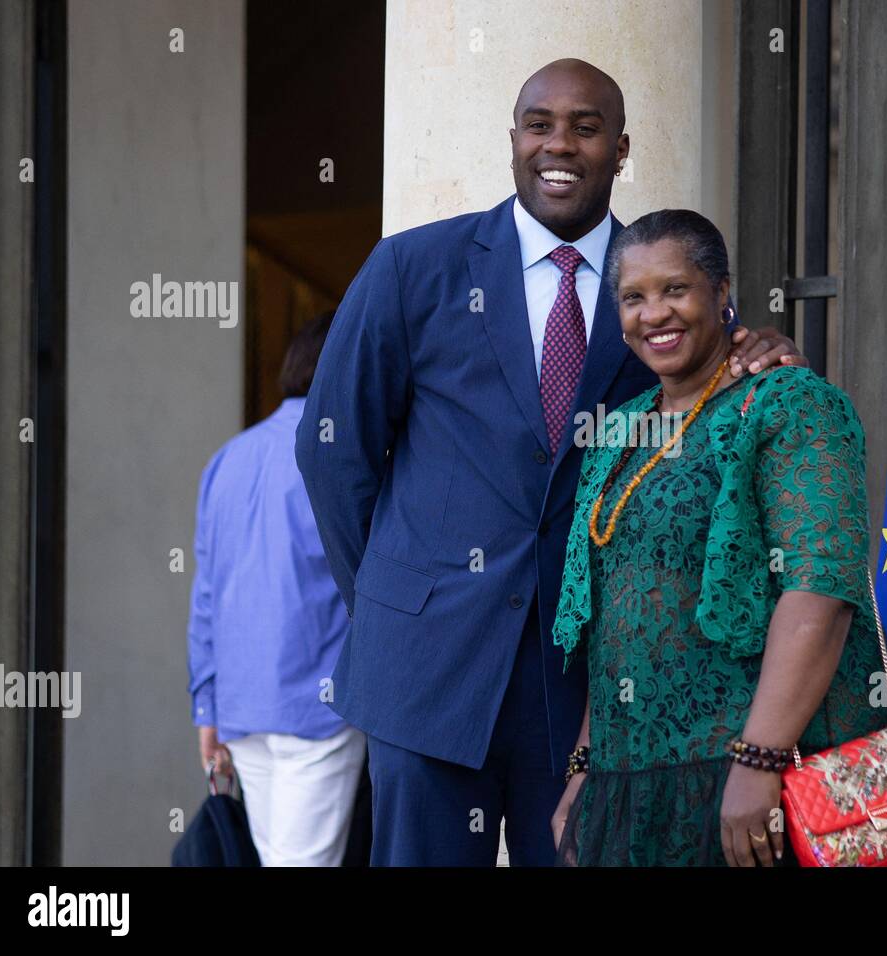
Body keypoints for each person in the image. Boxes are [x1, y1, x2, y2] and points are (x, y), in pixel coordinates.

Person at [294, 59, 802, 867]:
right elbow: (333, 454)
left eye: (586, 127)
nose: (558, 144)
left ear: (621, 148)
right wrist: (395, 602)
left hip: (589, 687)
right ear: (514, 140)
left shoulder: (651, 290)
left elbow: (721, 382)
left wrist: (765, 349)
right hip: (426, 676)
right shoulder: (411, 269)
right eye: (540, 124)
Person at [549, 210, 887, 866]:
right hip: (629, 790)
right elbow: (615, 620)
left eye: (675, 289)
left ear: (721, 291)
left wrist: (759, 761)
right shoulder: (616, 431)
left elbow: (822, 589)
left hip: (749, 781)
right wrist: (584, 766)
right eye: (633, 297)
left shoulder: (788, 403)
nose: (654, 314)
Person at [187, 310, 366, 867]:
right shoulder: (338, 455)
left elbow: (206, 598)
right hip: (317, 708)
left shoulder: (227, 459)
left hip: (243, 706)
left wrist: (207, 708)